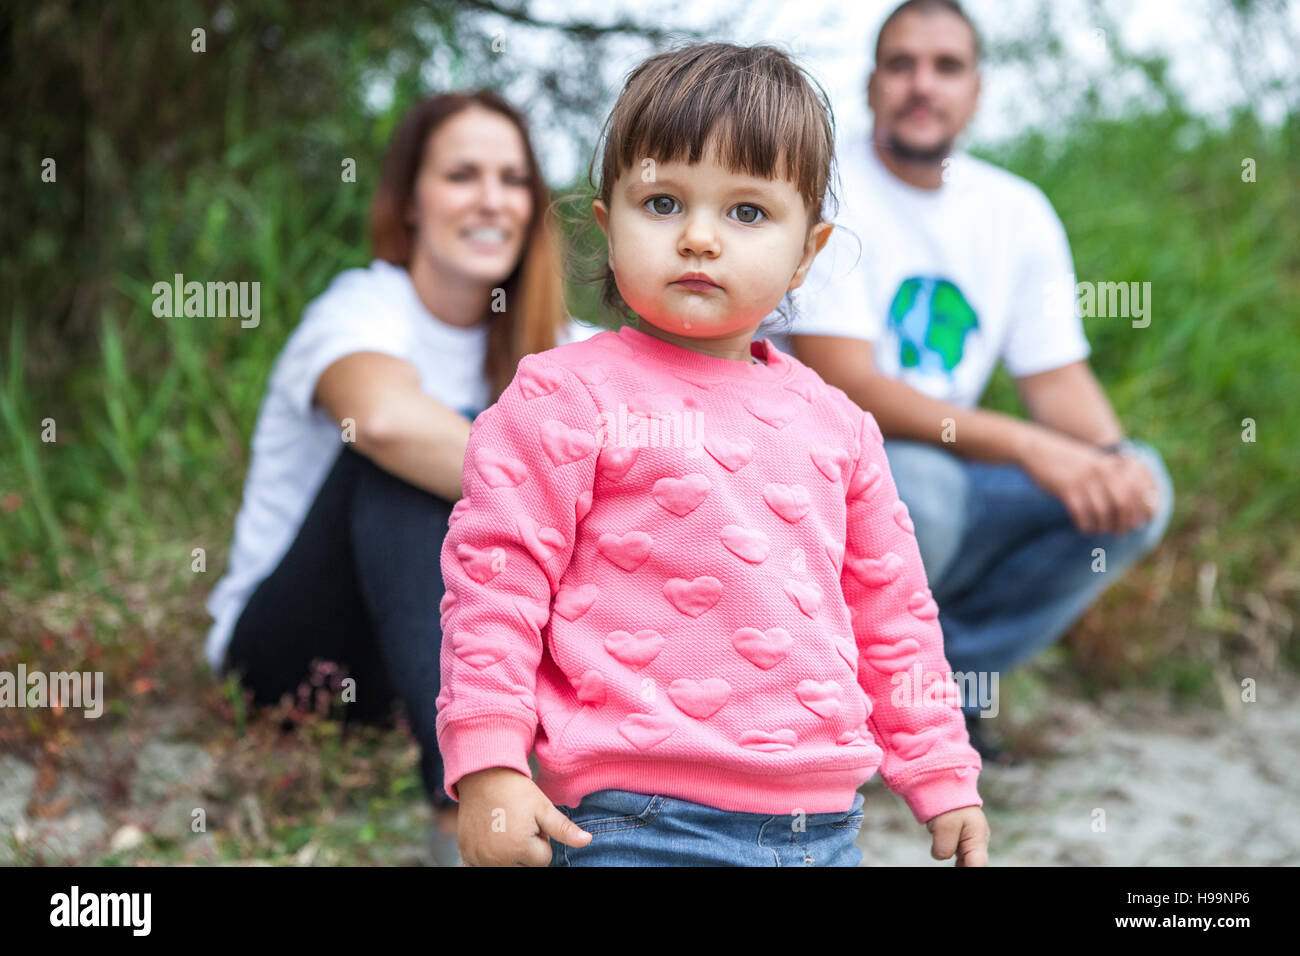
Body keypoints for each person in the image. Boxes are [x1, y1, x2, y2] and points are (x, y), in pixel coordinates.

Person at [436, 42, 990, 867]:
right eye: (662, 203)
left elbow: (895, 616)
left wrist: (943, 770)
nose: (698, 238)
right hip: (626, 819)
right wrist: (489, 764)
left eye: (746, 212)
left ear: (809, 248)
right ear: (606, 223)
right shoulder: (563, 396)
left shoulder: (840, 426)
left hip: (821, 828)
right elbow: (495, 583)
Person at [765, 0, 1174, 761]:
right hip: (820, 473)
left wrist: (1110, 458)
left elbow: (1058, 382)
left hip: (946, 465)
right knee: (924, 488)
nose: (924, 85)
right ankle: (831, 698)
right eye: (902, 64)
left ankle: (940, 695)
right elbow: (847, 383)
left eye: (947, 66)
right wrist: (1029, 447)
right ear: (871, 84)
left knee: (1137, 489)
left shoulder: (1015, 210)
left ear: (977, 90)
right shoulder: (827, 186)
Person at [203, 90, 602, 865]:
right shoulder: (361, 308)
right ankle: (462, 814)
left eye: (513, 179)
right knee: (400, 465)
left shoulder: (555, 344)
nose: (492, 199)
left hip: (416, 668)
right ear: (411, 201)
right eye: (461, 175)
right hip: (296, 656)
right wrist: (572, 499)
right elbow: (382, 419)